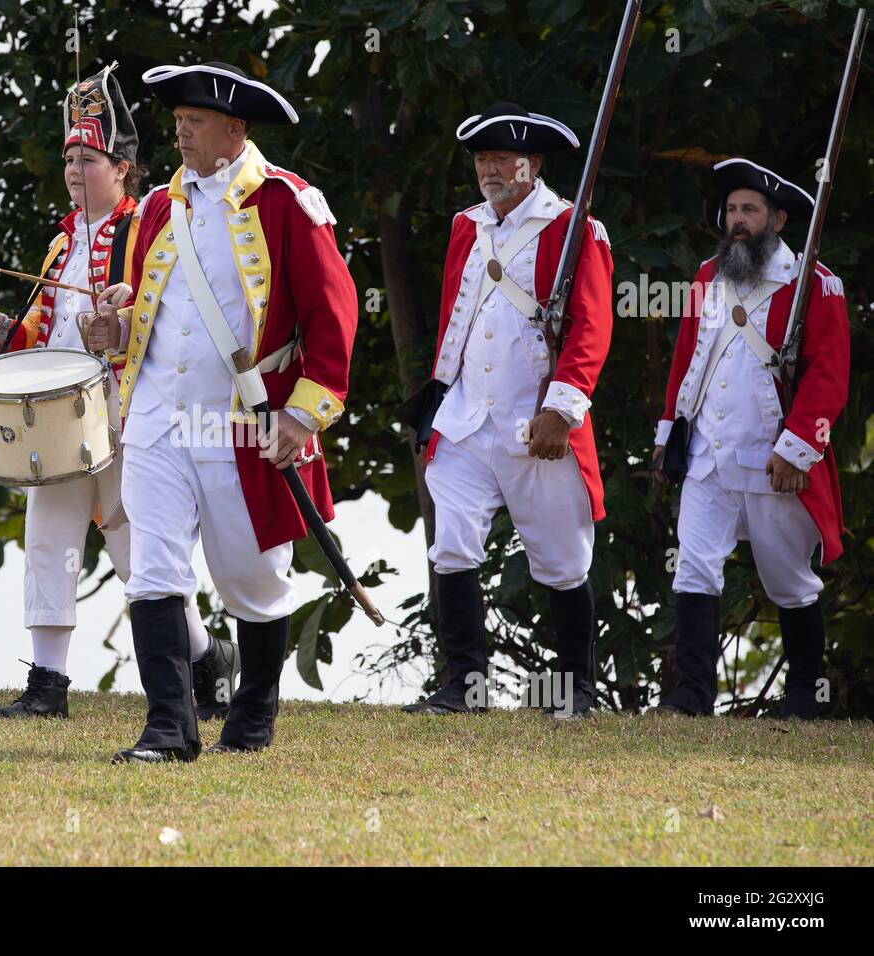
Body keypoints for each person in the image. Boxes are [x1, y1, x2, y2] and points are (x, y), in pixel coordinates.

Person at [82, 62, 358, 762]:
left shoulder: (290, 203)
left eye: (195, 120)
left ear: (236, 129)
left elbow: (334, 317)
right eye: (177, 120)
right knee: (153, 568)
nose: (180, 130)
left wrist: (303, 415)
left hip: (241, 424)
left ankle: (254, 710)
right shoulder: (153, 210)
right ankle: (169, 729)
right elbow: (148, 313)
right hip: (156, 418)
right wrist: (112, 331)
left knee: (253, 579)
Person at [0, 65, 231, 720]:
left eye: (87, 157)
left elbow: (170, 305)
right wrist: (2, 328)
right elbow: (38, 338)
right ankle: (48, 683)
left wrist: (125, 306)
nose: (75, 170)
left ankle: (204, 658)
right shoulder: (60, 245)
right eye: (68, 159)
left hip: (125, 408)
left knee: (132, 544)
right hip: (60, 415)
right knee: (49, 534)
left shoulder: (152, 224)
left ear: (122, 167)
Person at [402, 102, 614, 719]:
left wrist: (562, 409)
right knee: (453, 546)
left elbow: (592, 327)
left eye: (501, 157)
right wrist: (438, 398)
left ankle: (578, 688)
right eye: (481, 157)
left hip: (537, 420)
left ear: (533, 163)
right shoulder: (467, 226)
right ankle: (464, 686)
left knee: (562, 559)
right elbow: (456, 320)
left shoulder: (574, 229)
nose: (489, 168)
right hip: (468, 418)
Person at [653, 158, 849, 719]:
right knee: (693, 567)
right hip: (707, 455)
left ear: (778, 219)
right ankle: (691, 694)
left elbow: (829, 374)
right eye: (732, 210)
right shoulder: (706, 277)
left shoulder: (815, 283)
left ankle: (805, 699)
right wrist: (670, 432)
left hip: (773, 460)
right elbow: (687, 360)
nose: (738, 220)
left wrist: (797, 449)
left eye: (751, 211)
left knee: (789, 581)